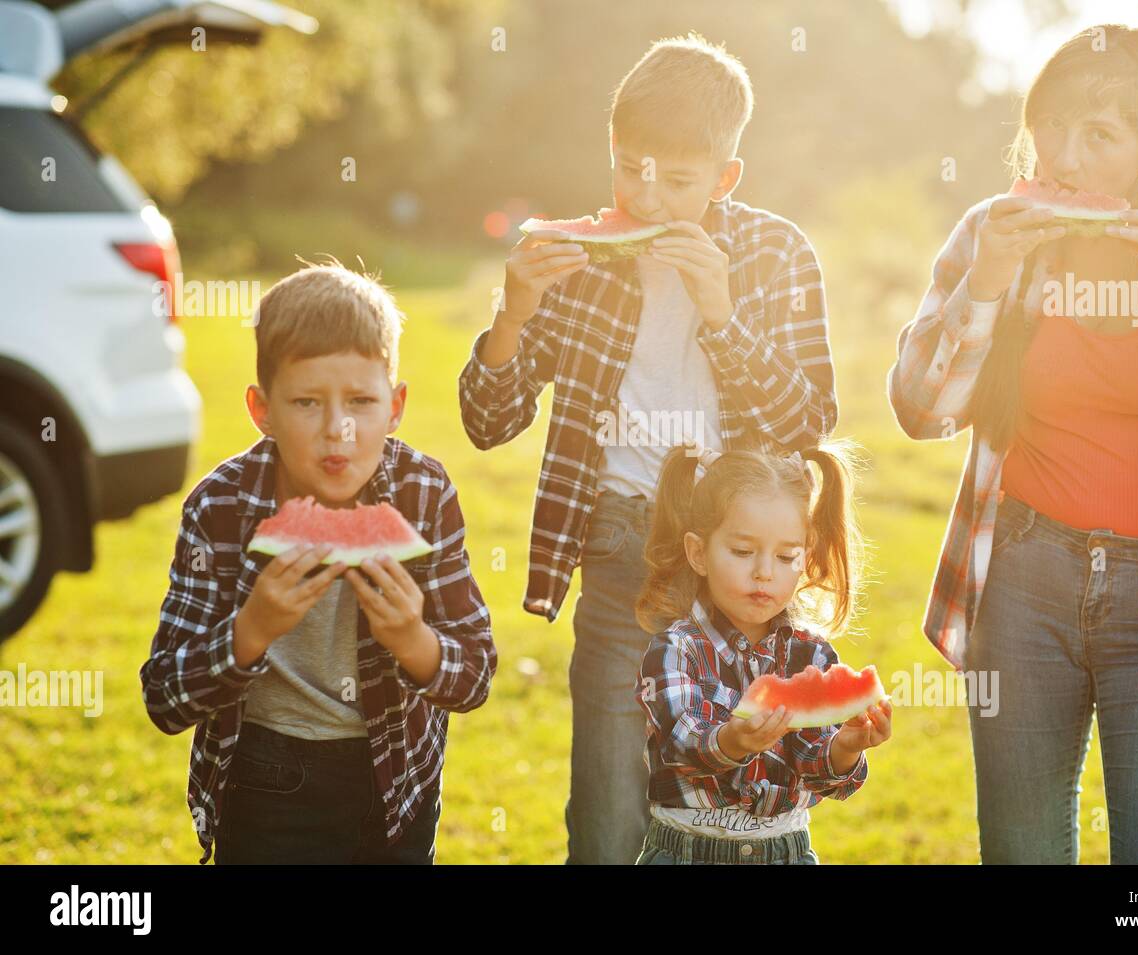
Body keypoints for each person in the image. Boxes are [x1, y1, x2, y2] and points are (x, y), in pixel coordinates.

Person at [888, 24, 1138, 863]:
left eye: (1099, 135)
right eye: (1050, 126)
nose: (1062, 158)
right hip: (1023, 584)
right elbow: (921, 411)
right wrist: (985, 288)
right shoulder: (990, 235)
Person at [458, 33, 837, 863]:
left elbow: (807, 422)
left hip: (739, 573)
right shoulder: (584, 257)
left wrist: (722, 316)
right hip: (621, 550)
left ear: (726, 177)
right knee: (607, 816)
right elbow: (490, 420)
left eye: (679, 179)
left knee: (726, 815)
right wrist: (514, 313)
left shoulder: (778, 255)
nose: (649, 195)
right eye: (630, 169)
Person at [142, 260, 497, 864]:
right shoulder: (221, 506)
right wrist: (249, 631)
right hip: (265, 777)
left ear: (395, 405)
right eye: (307, 402)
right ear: (262, 409)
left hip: (397, 780)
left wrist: (413, 638)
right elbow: (165, 698)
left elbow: (475, 677)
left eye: (361, 400)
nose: (339, 430)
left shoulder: (423, 494)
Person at [633, 442, 891, 864]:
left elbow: (819, 767)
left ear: (804, 558)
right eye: (742, 551)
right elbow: (680, 745)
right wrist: (729, 741)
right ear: (698, 552)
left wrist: (846, 747)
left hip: (785, 854)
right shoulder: (676, 650)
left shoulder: (812, 655)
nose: (764, 572)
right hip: (688, 854)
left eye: (786, 555)